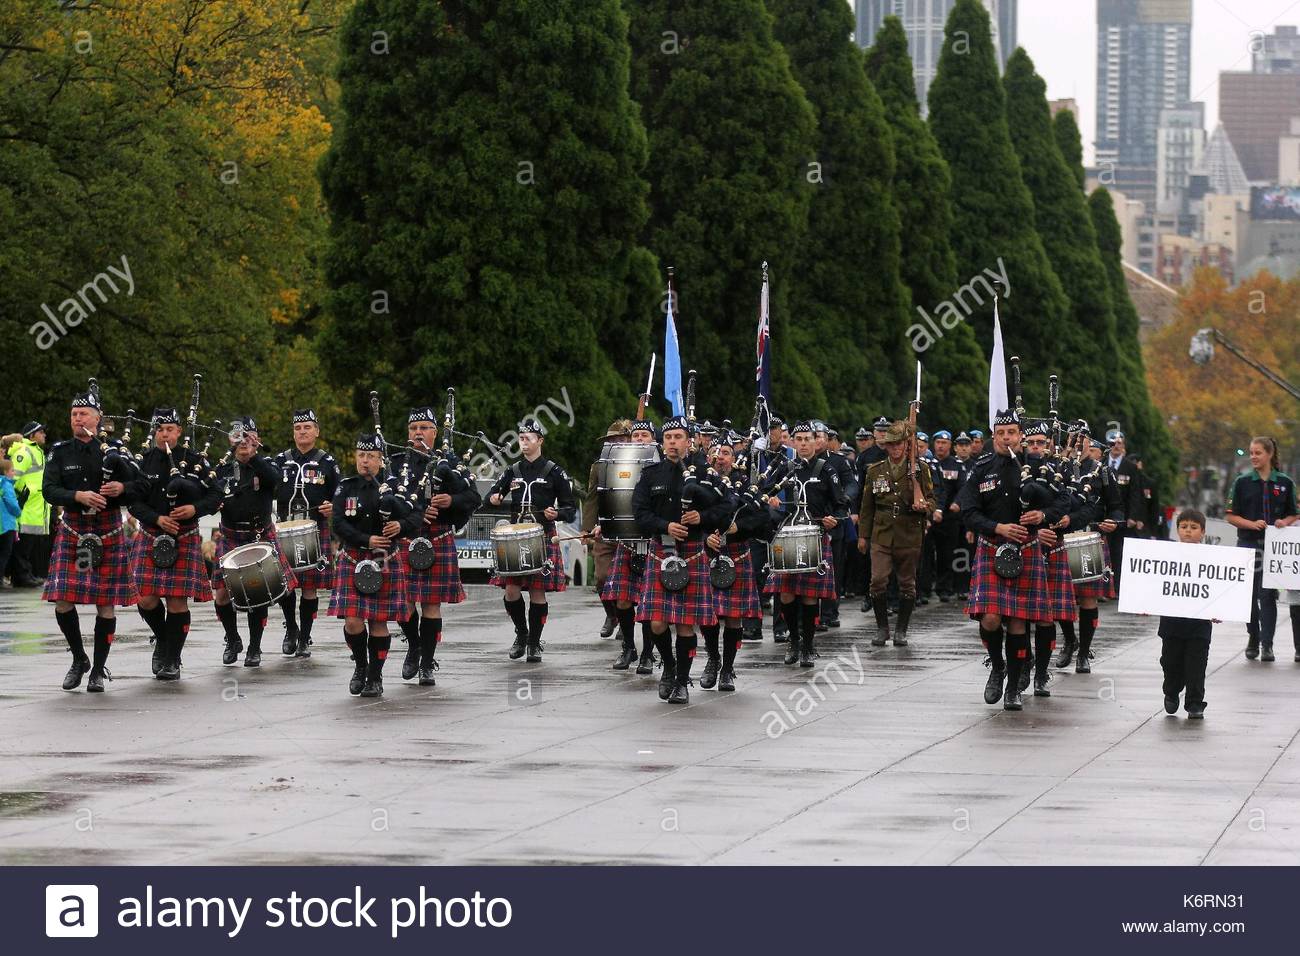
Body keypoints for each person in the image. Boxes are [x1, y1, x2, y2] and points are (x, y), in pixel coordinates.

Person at [958, 410, 1066, 711]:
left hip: (1026, 547)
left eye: (1013, 433)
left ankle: (1013, 690)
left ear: (1021, 436)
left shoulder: (1041, 468)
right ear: (994, 436)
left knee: (1019, 622)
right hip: (992, 545)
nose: (1007, 438)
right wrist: (998, 527)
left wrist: (1043, 516)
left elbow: (1062, 502)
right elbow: (968, 511)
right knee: (990, 618)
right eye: (1001, 433)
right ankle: (997, 666)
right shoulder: (981, 468)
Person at [41, 390, 148, 691]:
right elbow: (48, 490)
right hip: (74, 528)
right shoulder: (60, 452)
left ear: (98, 419)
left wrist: (120, 488)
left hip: (108, 528)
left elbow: (140, 486)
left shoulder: (115, 450)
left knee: (106, 603)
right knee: (62, 600)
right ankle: (79, 659)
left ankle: (98, 670)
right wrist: (76, 495)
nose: (78, 419)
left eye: (84, 413)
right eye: (74, 414)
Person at [632, 415, 728, 702]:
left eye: (678, 437)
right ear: (662, 443)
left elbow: (726, 507)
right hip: (662, 550)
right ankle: (670, 668)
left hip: (693, 550)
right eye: (668, 438)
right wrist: (665, 526)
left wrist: (702, 517)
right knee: (657, 623)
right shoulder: (651, 474)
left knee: (686, 623)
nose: (673, 443)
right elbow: (640, 514)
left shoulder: (705, 473)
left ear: (689, 441)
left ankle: (683, 682)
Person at [129, 407, 222, 681]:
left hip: (184, 535)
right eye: (160, 429)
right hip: (151, 534)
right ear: (154, 431)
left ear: (179, 431)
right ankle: (164, 640)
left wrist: (195, 508)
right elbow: (132, 502)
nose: (164, 433)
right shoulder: (142, 462)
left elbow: (216, 495)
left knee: (177, 602)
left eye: (170, 429)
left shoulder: (195, 461)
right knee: (145, 598)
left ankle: (172, 660)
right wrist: (156, 518)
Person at [393, 405, 480, 686]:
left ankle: (427, 663)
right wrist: (413, 513)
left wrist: (451, 501)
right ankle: (415, 646)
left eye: (424, 428)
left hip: (438, 538)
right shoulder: (396, 464)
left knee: (431, 605)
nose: (418, 433)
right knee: (403, 604)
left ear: (435, 432)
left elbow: (473, 498)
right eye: (413, 429)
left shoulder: (451, 463)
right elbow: (384, 503)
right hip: (406, 538)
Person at [328, 433, 414, 697]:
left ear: (380, 460)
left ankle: (375, 678)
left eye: (371, 457)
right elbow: (338, 523)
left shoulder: (394, 486)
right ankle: (361, 667)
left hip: (384, 559)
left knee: (378, 622)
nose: (365, 461)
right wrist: (366, 539)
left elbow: (413, 515)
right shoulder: (346, 487)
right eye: (361, 456)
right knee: (353, 622)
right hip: (354, 557)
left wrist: (398, 520)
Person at [486, 419, 576, 663]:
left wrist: (557, 514)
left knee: (537, 591)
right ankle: (521, 633)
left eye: (528, 437)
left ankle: (534, 643)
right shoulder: (513, 471)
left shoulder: (554, 472)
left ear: (540, 441)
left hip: (542, 535)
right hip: (514, 537)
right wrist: (494, 497)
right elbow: (492, 495)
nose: (523, 441)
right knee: (512, 591)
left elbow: (571, 509)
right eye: (520, 437)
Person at [211, 417, 298, 668]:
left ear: (257, 440)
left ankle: (256, 646)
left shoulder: (266, 465)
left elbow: (276, 482)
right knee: (221, 595)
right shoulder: (223, 470)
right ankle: (233, 639)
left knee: (260, 592)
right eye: (238, 436)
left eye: (248, 436)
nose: (242, 442)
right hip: (230, 536)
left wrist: (254, 456)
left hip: (260, 535)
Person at [765, 421, 848, 667]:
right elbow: (763, 490)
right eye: (798, 439)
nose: (802, 443)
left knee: (811, 596)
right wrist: (770, 500)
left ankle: (809, 645)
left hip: (815, 535)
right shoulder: (786, 467)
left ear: (816, 441)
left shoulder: (826, 470)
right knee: (787, 594)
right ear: (792, 441)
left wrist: (834, 518)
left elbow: (841, 503)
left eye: (807, 439)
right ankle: (794, 641)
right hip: (787, 534)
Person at [701, 432, 772, 692]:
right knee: (707, 615)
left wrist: (736, 527)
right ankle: (712, 660)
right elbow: (687, 515)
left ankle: (728, 668)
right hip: (707, 555)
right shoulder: (698, 481)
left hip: (737, 551)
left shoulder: (745, 484)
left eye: (727, 453)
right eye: (717, 454)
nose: (721, 458)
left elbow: (762, 518)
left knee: (733, 617)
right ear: (709, 457)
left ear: (733, 458)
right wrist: (704, 537)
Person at [857, 421, 935, 646]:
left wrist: (923, 507)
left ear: (907, 445)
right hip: (882, 533)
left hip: (909, 533)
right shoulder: (875, 470)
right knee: (878, 581)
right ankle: (882, 628)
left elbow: (931, 501)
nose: (895, 449)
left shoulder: (920, 470)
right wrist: (863, 535)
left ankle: (901, 629)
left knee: (907, 583)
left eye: (899, 444)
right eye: (891, 445)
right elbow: (867, 506)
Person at [272, 409, 340, 658]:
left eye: (308, 427)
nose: (303, 432)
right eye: (298, 428)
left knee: (309, 588)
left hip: (314, 530)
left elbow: (340, 496)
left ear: (317, 431)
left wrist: (334, 507)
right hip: (284, 528)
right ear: (293, 432)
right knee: (286, 586)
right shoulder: (280, 460)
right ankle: (291, 628)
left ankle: (304, 637)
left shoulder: (327, 462)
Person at [1226, 436, 1299, 662]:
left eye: (1257, 453)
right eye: (1251, 453)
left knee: (1267, 596)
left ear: (1269, 454)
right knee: (1248, 596)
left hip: (1275, 548)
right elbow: (1230, 516)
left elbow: (1294, 512)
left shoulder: (1285, 482)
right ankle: (1253, 637)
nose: (1253, 457)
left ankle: (1267, 644)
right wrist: (1251, 524)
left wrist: (1284, 522)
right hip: (1248, 544)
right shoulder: (1242, 482)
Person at [596, 419, 658, 673]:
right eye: (635, 435)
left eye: (644, 435)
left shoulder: (662, 465)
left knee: (649, 602)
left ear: (653, 439)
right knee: (622, 599)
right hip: (627, 539)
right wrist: (604, 523)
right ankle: (629, 648)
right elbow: (608, 495)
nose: (639, 439)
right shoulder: (618, 463)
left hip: (652, 540)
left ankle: (647, 654)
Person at [1023, 420, 1073, 697]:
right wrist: (1032, 533)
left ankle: (1041, 673)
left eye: (1040, 442)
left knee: (1045, 616)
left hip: (1051, 545)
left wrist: (1046, 520)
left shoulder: (1061, 469)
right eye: (1030, 443)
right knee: (1017, 617)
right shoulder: (1013, 467)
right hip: (1019, 546)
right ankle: (1022, 662)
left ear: (1048, 444)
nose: (1035, 447)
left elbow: (1067, 504)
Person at [1159, 509, 1213, 719]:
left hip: (1199, 624)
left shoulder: (1212, 557)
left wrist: (1219, 609)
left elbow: (1219, 585)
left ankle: (1195, 702)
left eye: (1193, 527)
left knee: (1197, 664)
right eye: (1184, 527)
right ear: (1177, 529)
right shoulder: (1166, 554)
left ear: (1203, 532)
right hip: (1171, 623)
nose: (1188, 532)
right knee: (1170, 662)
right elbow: (1153, 582)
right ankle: (1171, 692)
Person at [584, 419, 633, 640]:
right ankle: (611, 615)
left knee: (627, 582)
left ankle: (625, 623)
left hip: (631, 530)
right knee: (602, 577)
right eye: (612, 441)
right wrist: (587, 529)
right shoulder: (599, 466)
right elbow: (592, 499)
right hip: (604, 528)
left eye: (621, 440)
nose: (616, 444)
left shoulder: (640, 463)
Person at [815, 421, 857, 630]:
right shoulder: (798, 461)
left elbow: (852, 484)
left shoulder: (839, 462)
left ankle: (830, 611)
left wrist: (845, 499)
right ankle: (811, 614)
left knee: (834, 569)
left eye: (821, 436)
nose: (818, 440)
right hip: (811, 521)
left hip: (834, 519)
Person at [9, 420, 49, 586]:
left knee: (28, 544)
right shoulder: (25, 451)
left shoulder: (36, 451)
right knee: (23, 545)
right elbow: (13, 477)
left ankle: (27, 573)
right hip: (26, 505)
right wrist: (24, 491)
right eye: (41, 432)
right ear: (32, 436)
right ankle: (21, 576)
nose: (44, 435)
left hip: (35, 506)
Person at [1102, 430, 1142, 592]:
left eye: (1119, 443)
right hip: (1103, 516)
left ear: (1124, 445)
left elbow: (1135, 493)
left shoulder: (1130, 467)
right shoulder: (1101, 463)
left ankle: (1117, 587)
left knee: (1118, 552)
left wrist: (1133, 516)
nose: (1116, 446)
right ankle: (1103, 587)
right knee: (1103, 552)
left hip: (1123, 518)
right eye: (1113, 443)